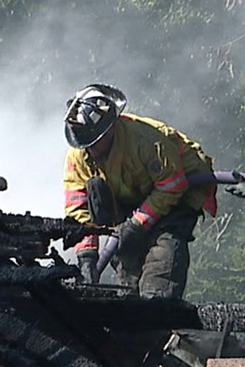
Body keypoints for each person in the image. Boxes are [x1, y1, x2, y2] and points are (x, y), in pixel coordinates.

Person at [62, 83, 217, 299]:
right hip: (131, 196)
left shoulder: (146, 142)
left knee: (161, 262)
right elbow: (78, 207)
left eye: (95, 142)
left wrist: (137, 224)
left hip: (177, 192)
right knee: (128, 278)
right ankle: (131, 308)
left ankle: (158, 306)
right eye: (86, 144)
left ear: (111, 128)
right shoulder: (80, 153)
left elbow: (171, 186)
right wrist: (86, 255)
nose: (91, 149)